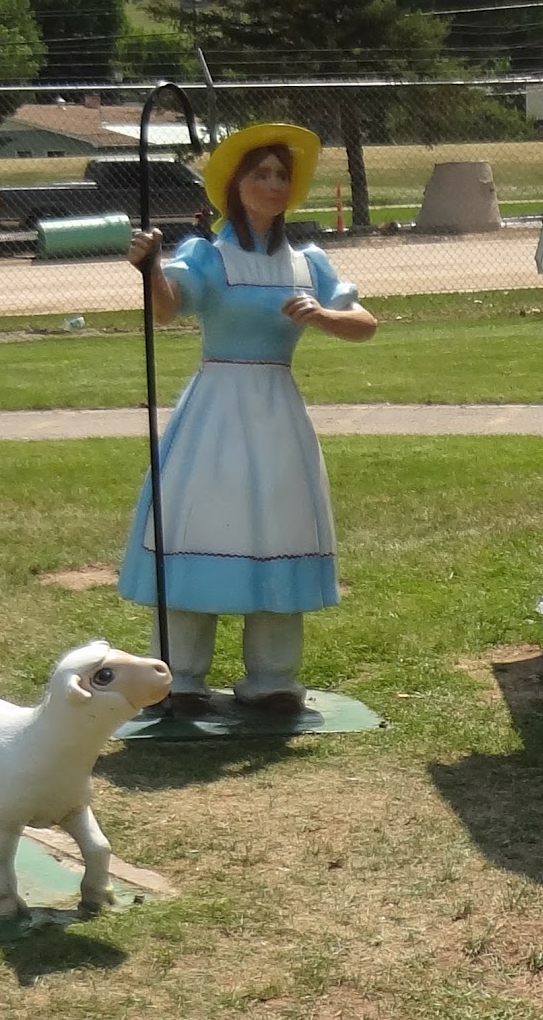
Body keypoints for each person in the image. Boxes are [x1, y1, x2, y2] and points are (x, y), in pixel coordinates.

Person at [118, 122, 376, 715]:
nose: (273, 185)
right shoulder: (207, 255)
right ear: (236, 184)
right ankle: (180, 676)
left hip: (278, 413)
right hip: (214, 412)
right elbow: (167, 310)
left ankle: (273, 676)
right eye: (261, 174)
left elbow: (363, 322)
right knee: (199, 526)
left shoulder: (309, 262)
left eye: (282, 175)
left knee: (281, 528)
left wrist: (324, 317)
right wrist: (150, 268)